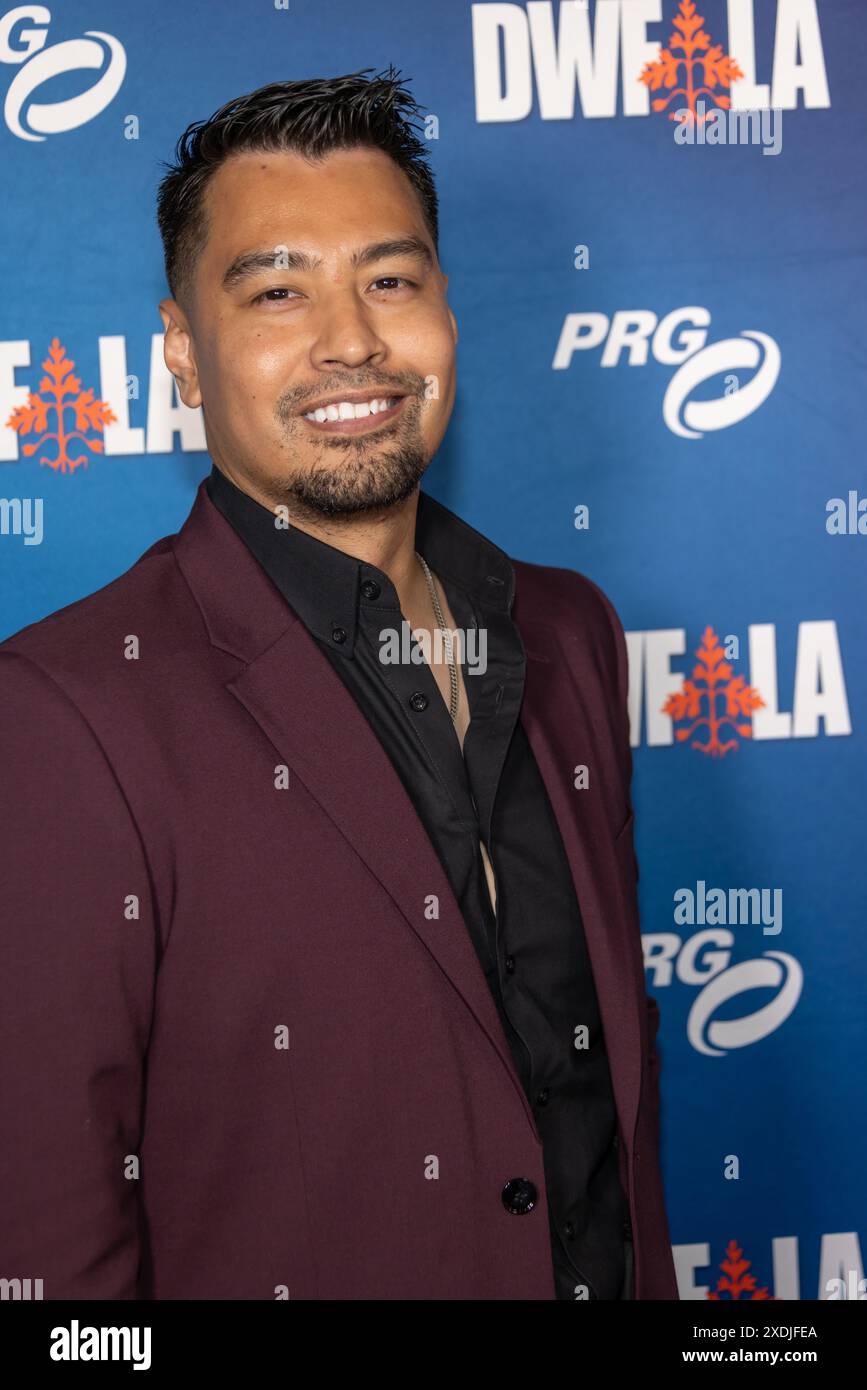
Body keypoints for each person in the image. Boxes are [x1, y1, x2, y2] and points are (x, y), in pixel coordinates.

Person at [0, 68, 677, 1300]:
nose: (352, 338)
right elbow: (50, 1248)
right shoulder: (64, 710)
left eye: (390, 279)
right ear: (183, 357)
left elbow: (606, 1107)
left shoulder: (572, 631)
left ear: (448, 313)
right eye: (276, 290)